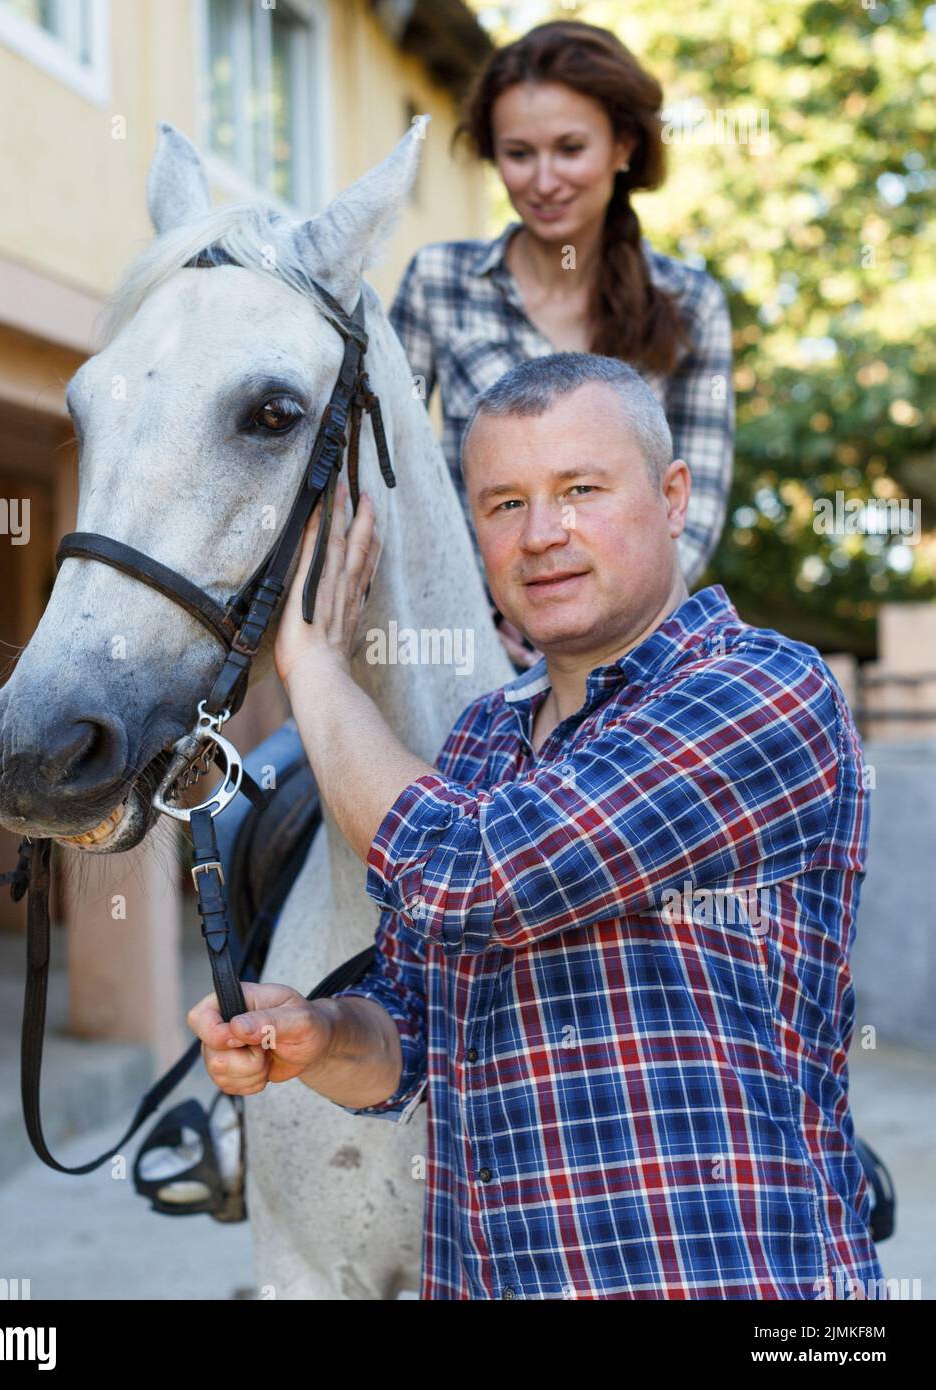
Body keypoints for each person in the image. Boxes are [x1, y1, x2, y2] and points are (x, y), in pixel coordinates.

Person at [187, 352, 885, 1301]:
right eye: (504, 503)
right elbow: (417, 1043)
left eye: (582, 489)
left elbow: (469, 874)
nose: (542, 534)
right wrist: (319, 1034)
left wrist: (313, 668)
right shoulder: (480, 738)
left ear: (673, 497)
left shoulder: (759, 689)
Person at [389, 19, 733, 670]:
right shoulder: (438, 282)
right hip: (466, 642)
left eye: (569, 148)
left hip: (635, 652)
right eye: (519, 154)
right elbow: (388, 467)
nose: (543, 181)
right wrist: (481, 610)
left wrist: (593, 623)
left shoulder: (690, 303)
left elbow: (699, 499)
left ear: (622, 146)